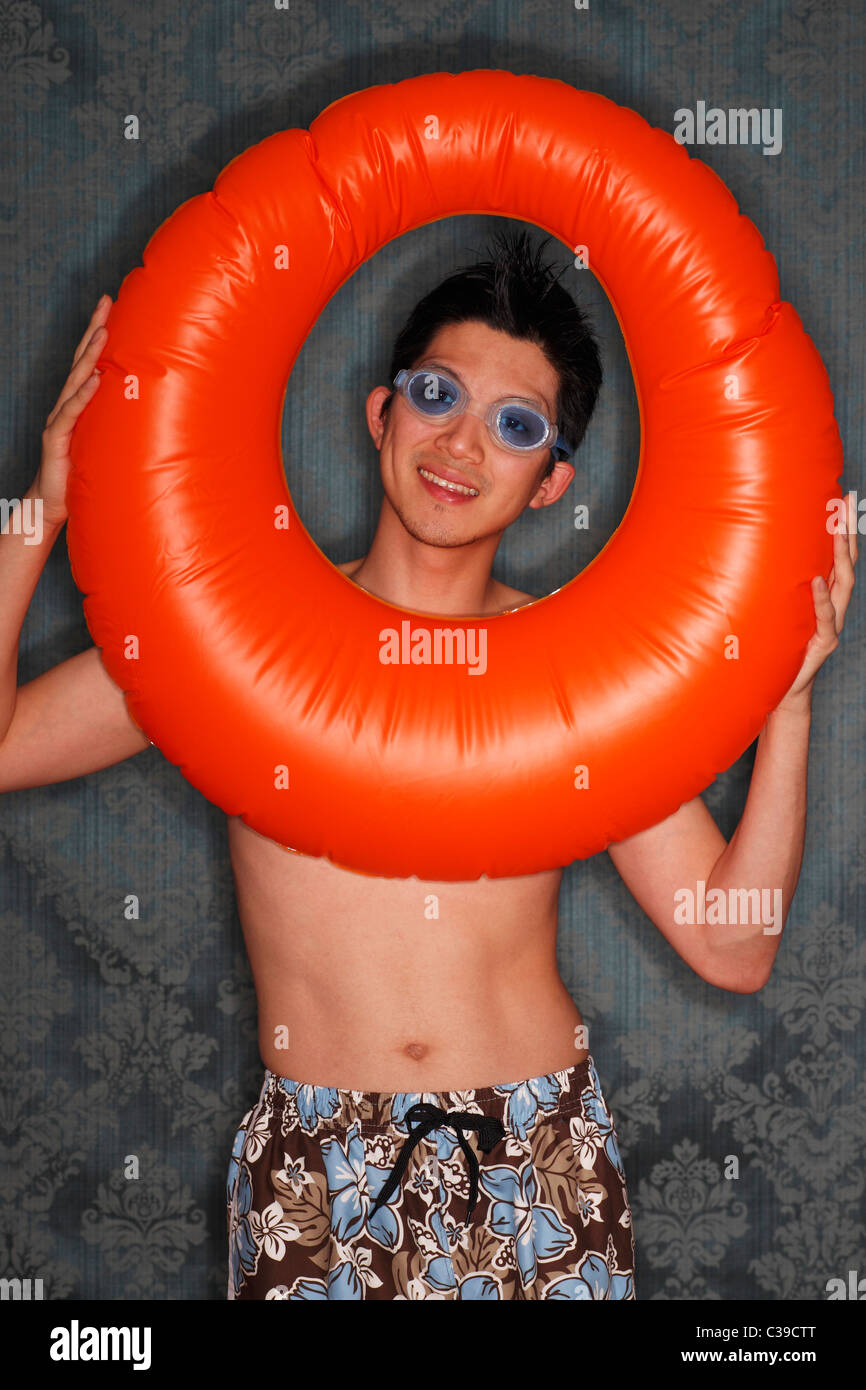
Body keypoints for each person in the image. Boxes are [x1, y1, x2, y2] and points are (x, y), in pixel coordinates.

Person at [0, 231, 856, 1301]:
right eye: (436, 392)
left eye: (513, 426)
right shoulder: (235, 640)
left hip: (534, 1156)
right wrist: (44, 503)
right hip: (313, 1168)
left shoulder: (570, 674)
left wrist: (788, 699)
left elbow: (730, 947)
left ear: (549, 481)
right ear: (378, 412)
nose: (458, 445)